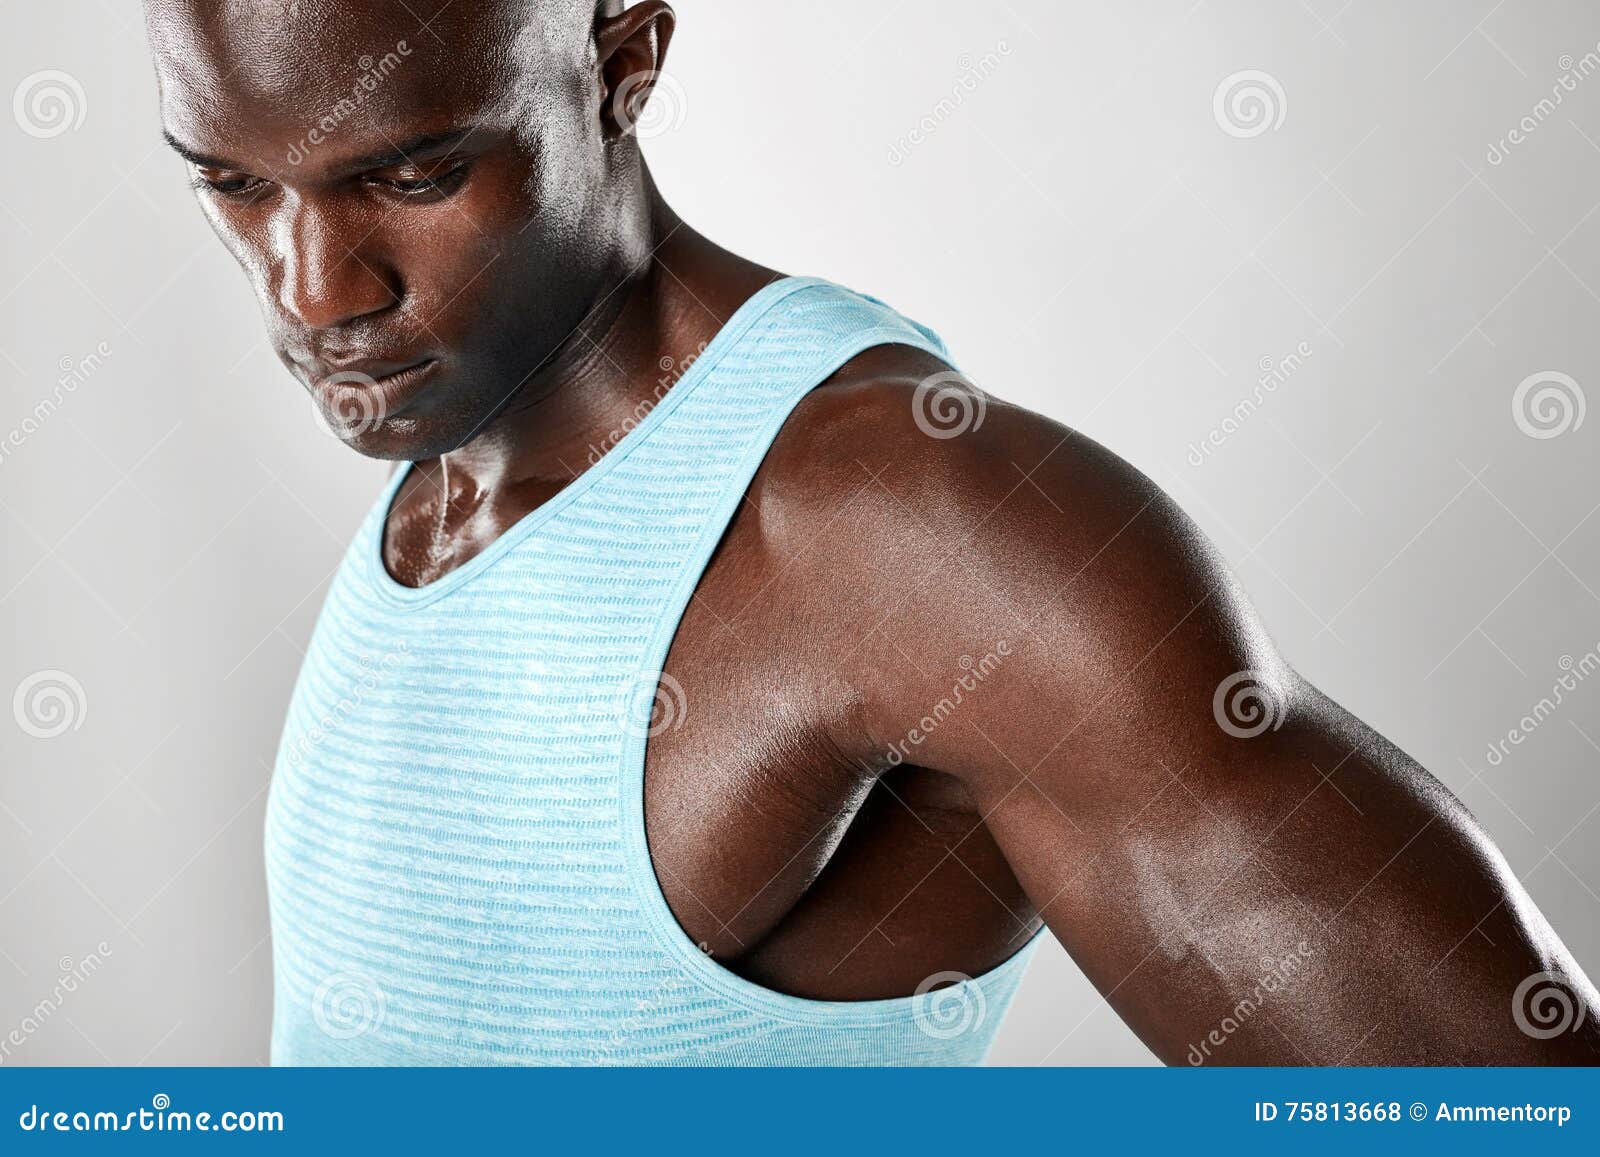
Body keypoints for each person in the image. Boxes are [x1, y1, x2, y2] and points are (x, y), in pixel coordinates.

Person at [146, 0, 1599, 1064]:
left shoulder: (907, 533)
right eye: (233, 183)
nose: (314, 292)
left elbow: (1512, 1089)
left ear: (622, 55)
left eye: (412, 177)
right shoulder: (451, 434)